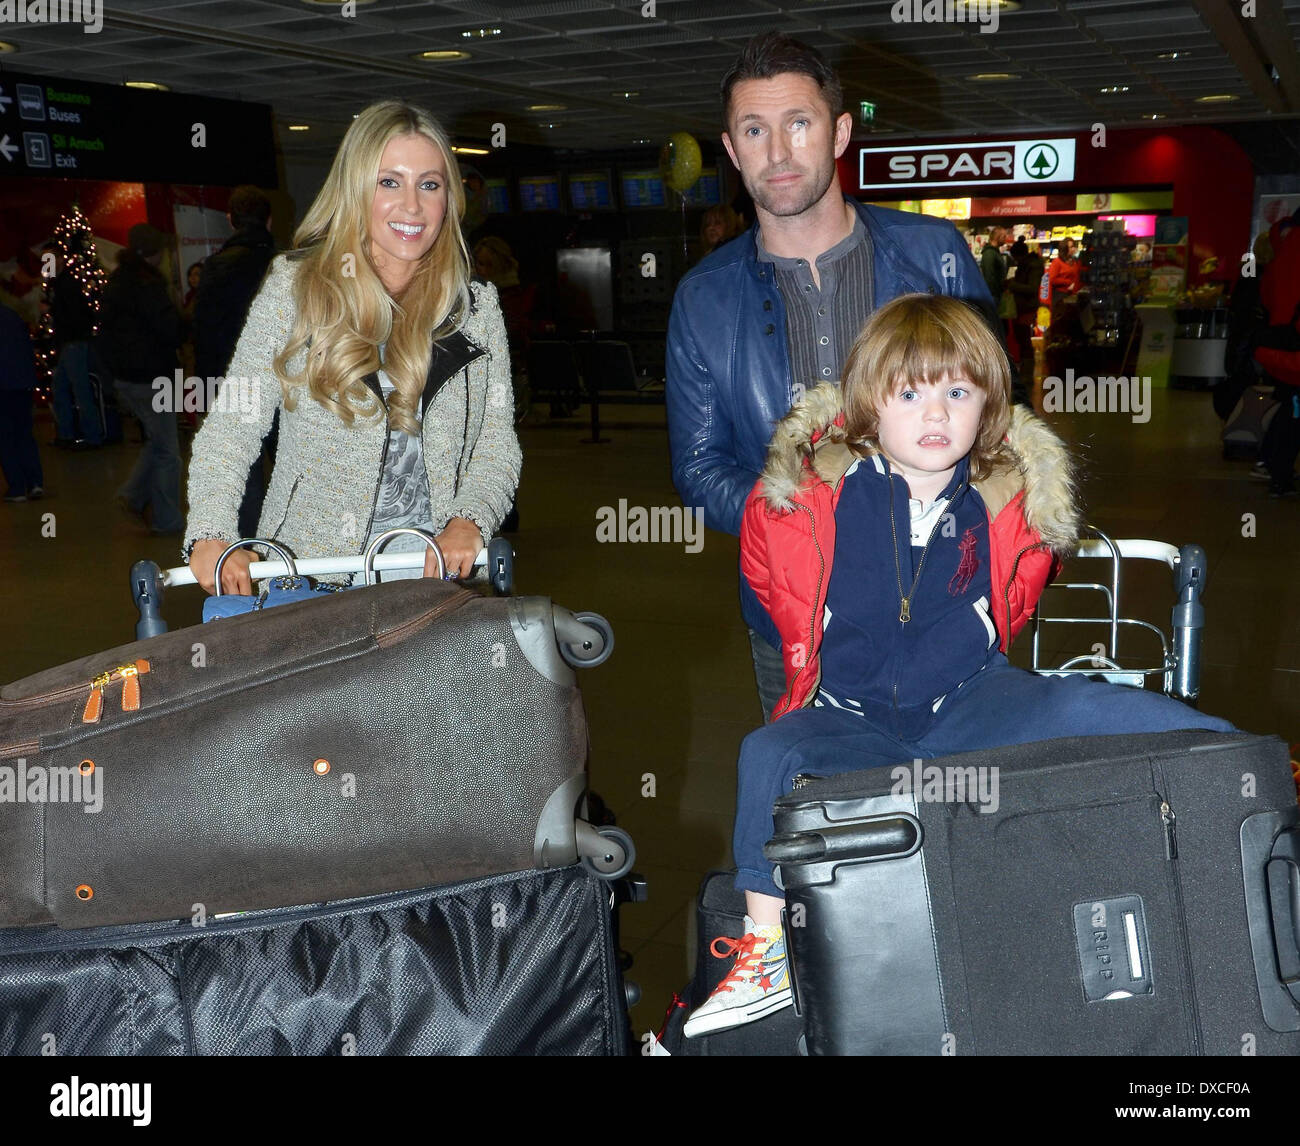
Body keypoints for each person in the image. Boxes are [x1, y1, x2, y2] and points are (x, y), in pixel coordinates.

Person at [682, 293, 1237, 1038]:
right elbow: (769, 567)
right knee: (768, 752)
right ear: (869, 407)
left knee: (1097, 709)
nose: (935, 413)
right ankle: (766, 949)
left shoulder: (1000, 498)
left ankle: (1233, 764)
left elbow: (1020, 583)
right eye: (909, 393)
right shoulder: (818, 493)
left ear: (988, 407)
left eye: (957, 392)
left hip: (971, 699)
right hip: (852, 714)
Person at [666, 31, 994, 724]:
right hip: (793, 611)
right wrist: (800, 516)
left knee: (951, 802)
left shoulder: (932, 255)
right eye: (754, 130)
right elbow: (699, 468)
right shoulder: (704, 298)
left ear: (840, 132)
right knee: (815, 805)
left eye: (799, 124)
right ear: (730, 149)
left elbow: (994, 417)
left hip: (945, 598)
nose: (777, 153)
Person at [184, 100, 521, 595]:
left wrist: (470, 520)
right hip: (307, 573)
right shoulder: (295, 289)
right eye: (389, 182)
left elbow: (496, 444)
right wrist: (210, 532)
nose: (412, 205)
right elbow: (234, 424)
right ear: (355, 190)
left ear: (449, 199)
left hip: (432, 579)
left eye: (430, 184)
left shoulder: (476, 310)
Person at [192, 185, 278, 537]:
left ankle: (253, 552)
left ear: (230, 221)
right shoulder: (286, 266)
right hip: (287, 380)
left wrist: (205, 389)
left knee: (246, 471)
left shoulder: (216, 268)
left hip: (234, 383)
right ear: (269, 221)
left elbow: (205, 334)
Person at [98, 223, 185, 535]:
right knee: (168, 453)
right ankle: (167, 521)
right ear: (154, 253)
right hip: (153, 377)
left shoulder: (117, 282)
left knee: (157, 441)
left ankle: (133, 496)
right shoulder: (149, 285)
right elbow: (170, 329)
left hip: (127, 378)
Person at [47, 235, 104, 449]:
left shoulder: (65, 283)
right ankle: (70, 433)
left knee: (77, 388)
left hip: (72, 341)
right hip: (70, 341)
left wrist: (52, 313)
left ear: (60, 259)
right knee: (64, 387)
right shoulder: (61, 282)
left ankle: (88, 435)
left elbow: (74, 314)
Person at [0, 302, 44, 503]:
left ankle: (17, 486)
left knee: (6, 437)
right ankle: (35, 482)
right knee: (24, 433)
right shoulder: (12, 315)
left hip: (3, 385)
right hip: (22, 382)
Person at [979, 225, 1008, 301]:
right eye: (1004, 236)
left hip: (995, 294)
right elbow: (989, 276)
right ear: (997, 237)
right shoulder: (990, 253)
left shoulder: (994, 252)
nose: (1006, 239)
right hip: (992, 296)